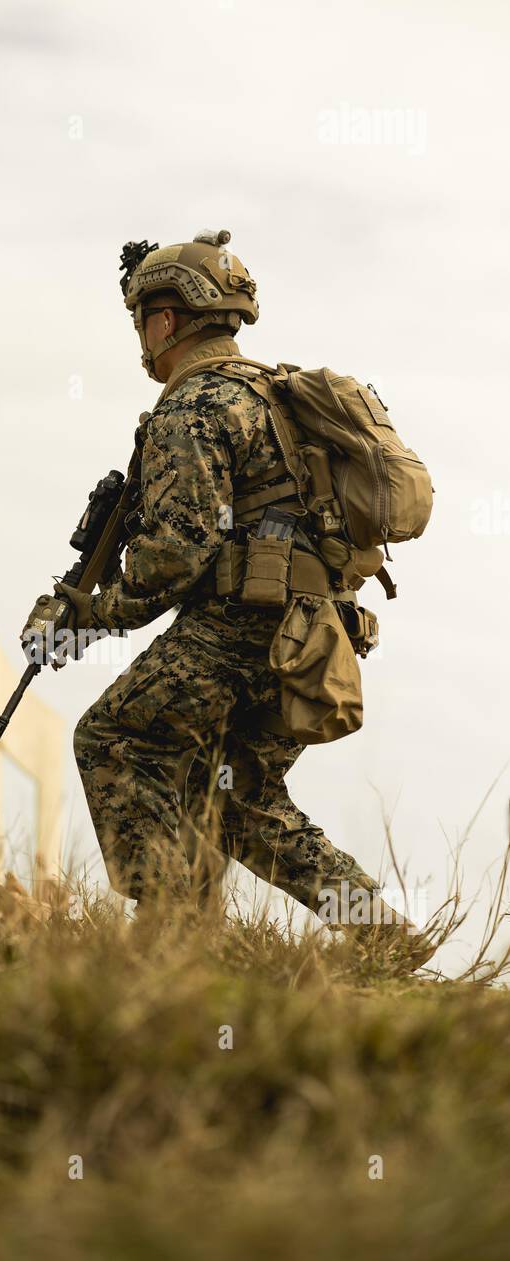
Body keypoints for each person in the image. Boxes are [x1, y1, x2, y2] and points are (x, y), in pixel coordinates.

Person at [52, 230, 431, 964]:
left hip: (239, 629)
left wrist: (83, 618)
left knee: (111, 739)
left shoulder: (192, 406)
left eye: (142, 320)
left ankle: (176, 931)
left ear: (165, 321)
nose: (141, 338)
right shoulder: (275, 395)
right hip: (313, 635)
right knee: (243, 801)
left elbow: (174, 555)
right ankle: (382, 936)